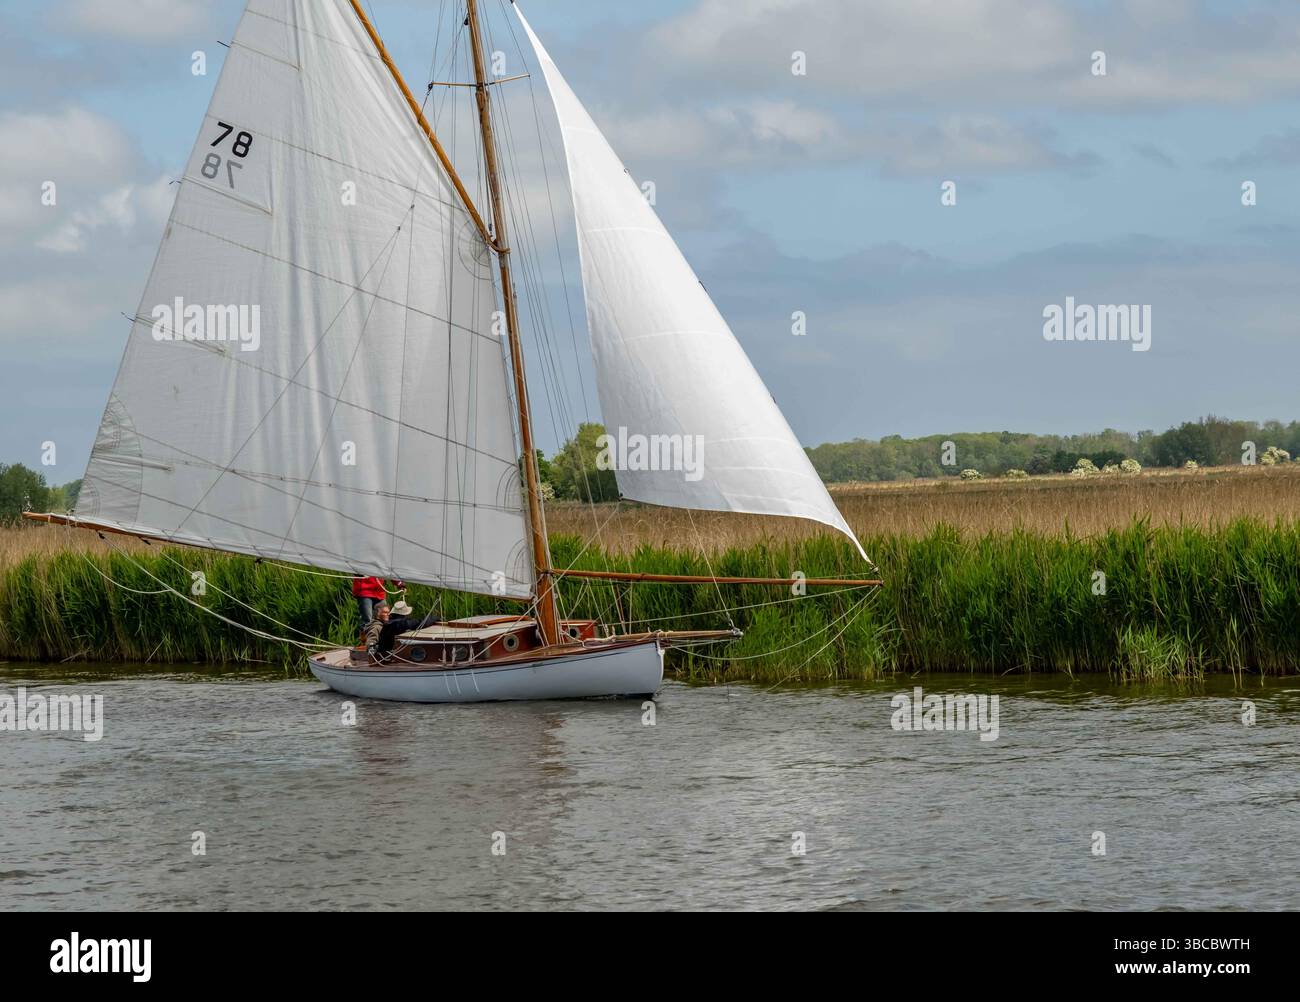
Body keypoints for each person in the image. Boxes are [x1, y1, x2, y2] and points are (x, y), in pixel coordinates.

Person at [363, 601, 442, 658]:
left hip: (390, 654)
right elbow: (420, 623)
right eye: (385, 613)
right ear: (377, 614)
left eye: (388, 612)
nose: (388, 614)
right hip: (387, 657)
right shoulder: (392, 625)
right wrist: (435, 618)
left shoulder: (389, 623)